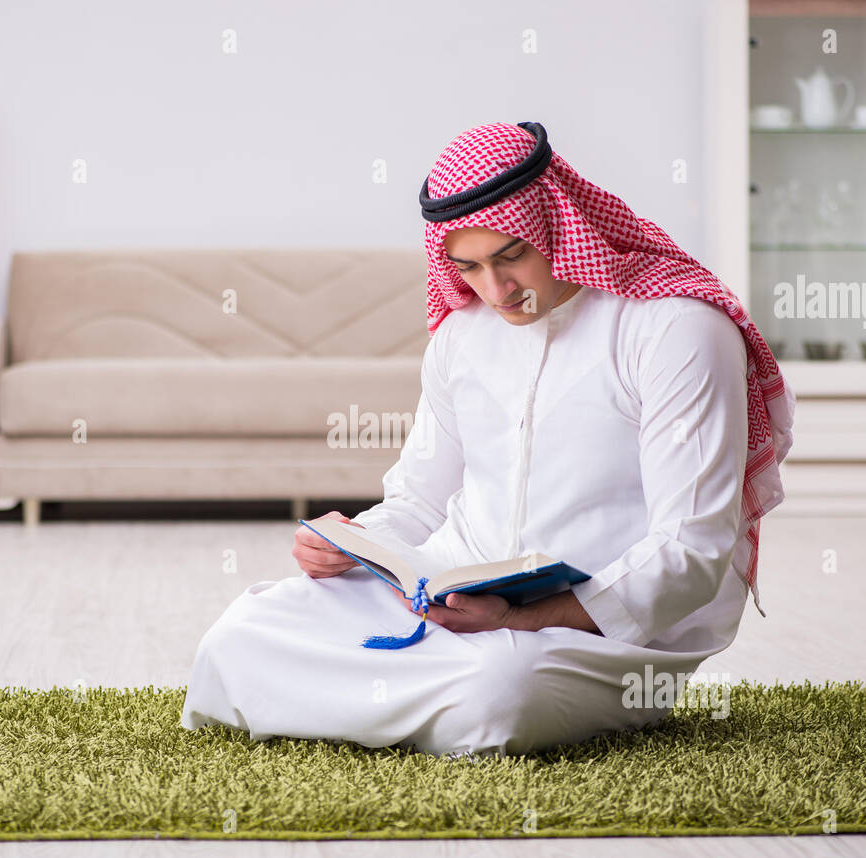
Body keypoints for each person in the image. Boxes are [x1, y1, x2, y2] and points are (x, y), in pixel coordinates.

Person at [179, 121, 796, 758]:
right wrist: (351, 545)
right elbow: (418, 503)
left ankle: (360, 698)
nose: (495, 291)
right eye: (467, 266)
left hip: (599, 633)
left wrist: (519, 618)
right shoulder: (461, 336)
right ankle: (413, 696)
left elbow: (692, 550)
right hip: (449, 600)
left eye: (510, 256)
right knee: (238, 637)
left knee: (499, 690)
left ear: (558, 223)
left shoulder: (675, 330)